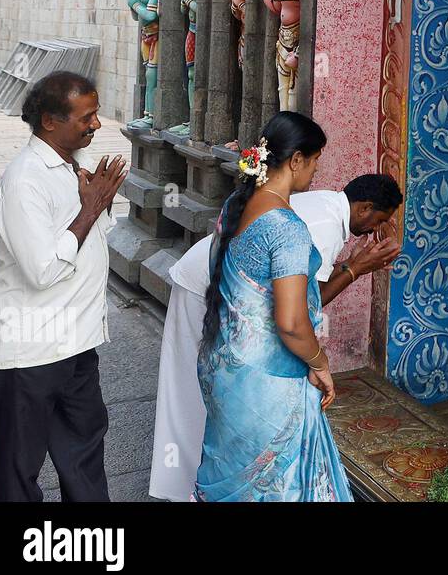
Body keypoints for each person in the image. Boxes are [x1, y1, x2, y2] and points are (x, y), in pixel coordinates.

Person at [149, 172, 401, 500]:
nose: (373, 231)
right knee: (192, 393)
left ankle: (201, 485)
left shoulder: (328, 205)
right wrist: (355, 268)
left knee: (213, 394)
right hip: (205, 287)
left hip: (220, 286)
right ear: (365, 207)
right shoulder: (325, 226)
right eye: (378, 220)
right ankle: (185, 489)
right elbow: (303, 306)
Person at [194, 111, 351, 501]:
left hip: (225, 367)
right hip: (267, 383)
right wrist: (320, 364)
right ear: (296, 160)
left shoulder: (238, 204)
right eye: (314, 161)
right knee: (275, 487)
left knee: (233, 471)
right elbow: (293, 323)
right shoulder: (286, 228)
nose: (315, 172)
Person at [0, 71, 126, 501]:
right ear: (50, 121)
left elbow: (80, 248)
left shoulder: (70, 168)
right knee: (19, 473)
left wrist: (92, 206)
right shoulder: (24, 180)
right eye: (87, 117)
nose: (97, 125)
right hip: (31, 353)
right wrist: (91, 210)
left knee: (83, 460)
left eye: (96, 114)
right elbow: (42, 270)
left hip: (76, 347)